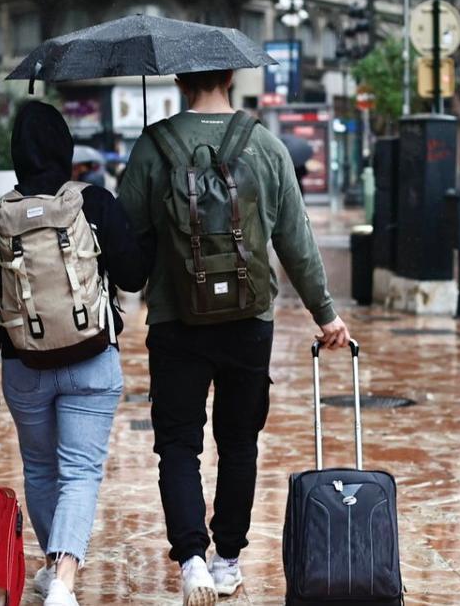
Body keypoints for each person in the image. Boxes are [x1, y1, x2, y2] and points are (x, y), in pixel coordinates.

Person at [118, 69, 350, 605]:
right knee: (239, 441)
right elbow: (295, 238)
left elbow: (126, 238)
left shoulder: (154, 145)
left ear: (178, 79)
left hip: (176, 320)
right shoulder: (266, 145)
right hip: (250, 321)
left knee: (178, 443)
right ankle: (227, 561)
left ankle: (192, 560)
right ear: (229, 76)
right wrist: (326, 313)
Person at [0, 101, 147, 606]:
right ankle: (64, 577)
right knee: (81, 472)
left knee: (41, 470)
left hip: (26, 367)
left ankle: (51, 567)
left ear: (16, 153)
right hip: (91, 360)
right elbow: (134, 277)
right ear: (66, 148)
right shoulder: (95, 203)